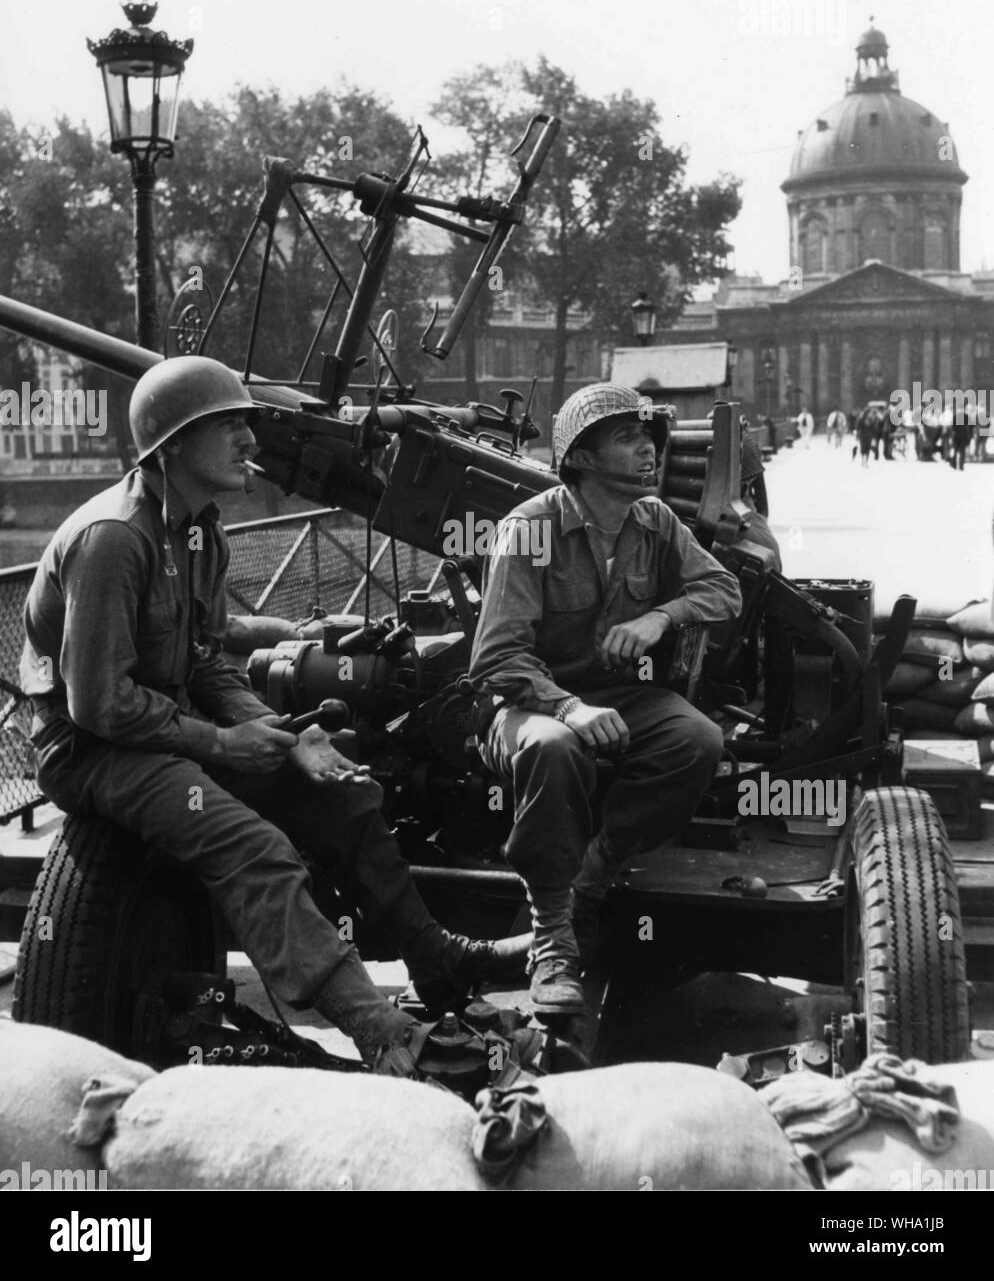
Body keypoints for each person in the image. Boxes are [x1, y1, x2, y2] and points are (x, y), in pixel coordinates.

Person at [19, 356, 527, 1074]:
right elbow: (98, 704)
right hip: (93, 749)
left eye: (245, 422)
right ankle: (384, 1034)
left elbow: (199, 662)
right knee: (254, 845)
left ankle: (440, 963)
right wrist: (224, 744)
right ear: (170, 447)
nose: (248, 438)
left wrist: (288, 734)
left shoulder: (200, 532)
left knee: (346, 793)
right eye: (225, 425)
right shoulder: (114, 540)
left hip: (161, 721)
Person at [468, 385, 741, 1010]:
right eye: (627, 437)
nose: (648, 450)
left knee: (697, 739)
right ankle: (553, 940)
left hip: (622, 696)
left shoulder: (656, 522)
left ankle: (594, 871)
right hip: (523, 703)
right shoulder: (528, 530)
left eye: (650, 437)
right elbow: (496, 658)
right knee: (557, 747)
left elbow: (724, 590)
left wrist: (663, 617)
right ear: (581, 459)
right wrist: (568, 707)